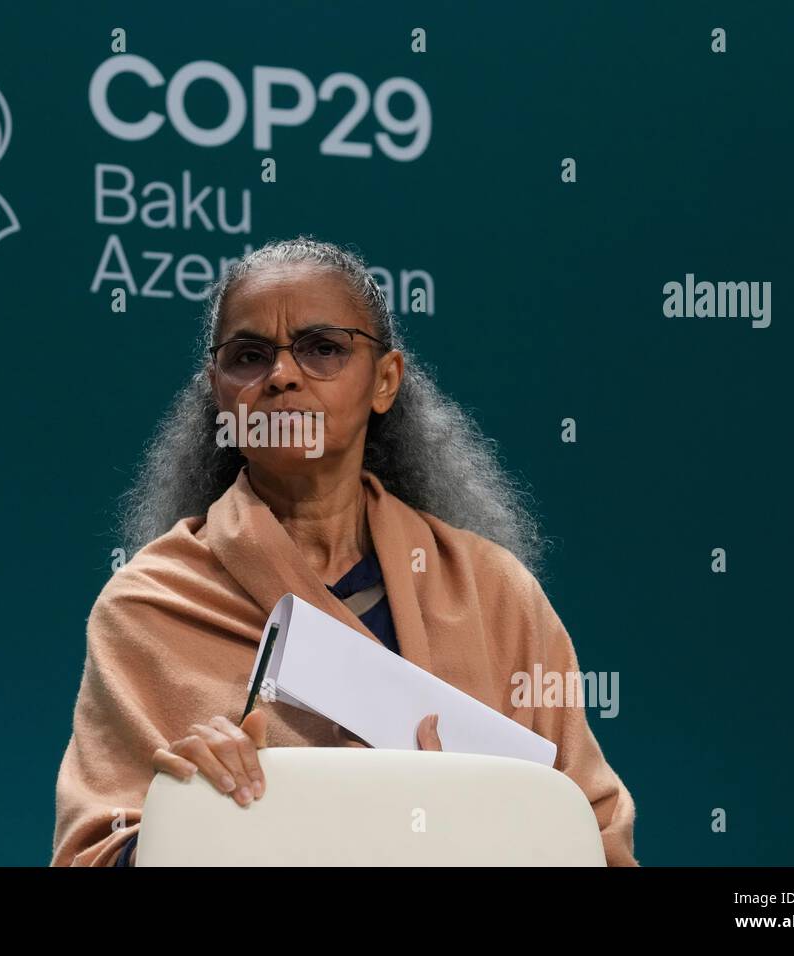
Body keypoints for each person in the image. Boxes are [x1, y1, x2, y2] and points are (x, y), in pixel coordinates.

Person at [51, 236, 637, 867]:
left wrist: (463, 823)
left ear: (385, 381)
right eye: (248, 356)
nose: (281, 376)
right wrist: (188, 817)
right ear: (219, 393)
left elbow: (593, 833)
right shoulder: (148, 605)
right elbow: (94, 849)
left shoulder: (494, 593)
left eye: (323, 348)